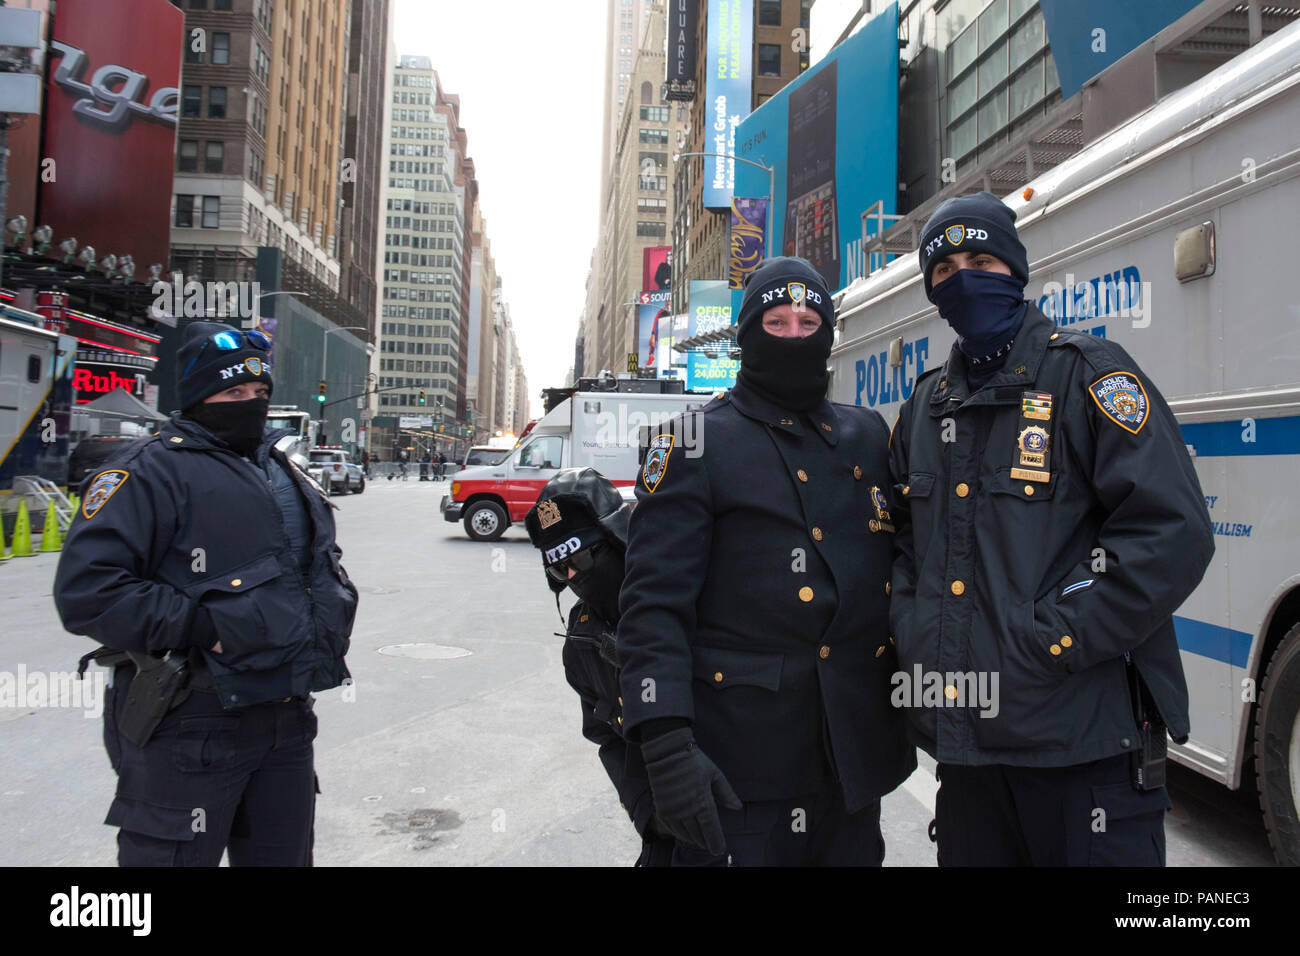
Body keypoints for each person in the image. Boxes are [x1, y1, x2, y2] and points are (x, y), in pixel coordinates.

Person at [889, 192, 1215, 866]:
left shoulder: (1091, 375)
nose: (964, 278)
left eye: (981, 259)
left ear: (1014, 267)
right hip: (971, 757)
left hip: (1085, 752)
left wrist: (1051, 636)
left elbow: (1172, 532)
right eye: (945, 269)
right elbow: (900, 546)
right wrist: (916, 629)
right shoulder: (924, 408)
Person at [616, 256, 916, 867]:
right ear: (746, 336)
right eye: (775, 323)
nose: (794, 336)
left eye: (809, 322)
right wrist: (664, 743)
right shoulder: (694, 440)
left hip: (851, 762)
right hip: (740, 765)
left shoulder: (867, 435)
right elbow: (652, 609)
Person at [53, 320, 358, 866]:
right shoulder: (148, 470)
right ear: (197, 396)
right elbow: (88, 590)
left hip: (286, 719)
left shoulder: (278, 468)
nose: (251, 403)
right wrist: (203, 628)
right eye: (234, 392)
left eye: (260, 392)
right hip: (191, 723)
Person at [524, 468, 675, 866]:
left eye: (581, 557)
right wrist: (648, 812)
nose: (572, 575)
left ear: (616, 539)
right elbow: (605, 736)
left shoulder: (680, 599)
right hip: (666, 830)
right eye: (559, 568)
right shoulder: (582, 641)